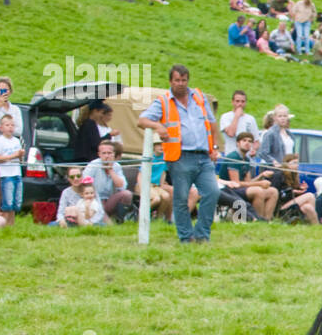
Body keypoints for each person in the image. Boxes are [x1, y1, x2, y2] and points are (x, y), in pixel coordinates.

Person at [138, 65, 221, 243]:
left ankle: (202, 234)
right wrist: (158, 126)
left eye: (184, 80)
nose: (181, 84)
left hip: (204, 156)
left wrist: (214, 147)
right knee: (181, 198)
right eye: (177, 80)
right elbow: (142, 120)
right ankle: (185, 236)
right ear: (170, 81)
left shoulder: (199, 97)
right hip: (180, 157)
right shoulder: (163, 101)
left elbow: (212, 123)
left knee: (212, 192)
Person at [218, 131, 278, 220]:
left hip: (241, 189)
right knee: (258, 191)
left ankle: (267, 220)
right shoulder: (233, 157)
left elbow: (248, 182)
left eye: (250, 141)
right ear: (238, 143)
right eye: (244, 140)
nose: (247, 143)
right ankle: (257, 219)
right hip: (228, 190)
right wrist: (260, 184)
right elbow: (236, 183)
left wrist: (261, 175)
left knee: (273, 191)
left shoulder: (246, 159)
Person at [84, 138, 133, 222]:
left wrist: (110, 170)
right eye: (104, 153)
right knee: (108, 224)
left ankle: (120, 220)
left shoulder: (117, 166)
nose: (107, 156)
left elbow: (122, 186)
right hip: (94, 200)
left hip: (110, 200)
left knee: (127, 194)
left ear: (114, 154)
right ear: (99, 154)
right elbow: (85, 184)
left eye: (109, 153)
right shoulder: (93, 165)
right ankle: (108, 222)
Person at [0, 113, 23, 225]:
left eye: (12, 125)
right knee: (7, 203)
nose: (10, 127)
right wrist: (13, 156)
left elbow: (20, 160)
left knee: (15, 203)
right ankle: (5, 225)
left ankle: (11, 225)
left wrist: (21, 155)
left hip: (17, 173)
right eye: (7, 125)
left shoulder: (17, 141)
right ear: (1, 128)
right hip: (6, 175)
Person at [270, 153, 318, 223]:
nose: (297, 165)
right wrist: (293, 192)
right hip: (281, 207)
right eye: (294, 163)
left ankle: (315, 228)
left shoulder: (294, 175)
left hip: (290, 203)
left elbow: (292, 194)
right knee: (310, 196)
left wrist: (300, 189)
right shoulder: (279, 175)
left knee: (308, 207)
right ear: (286, 164)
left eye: (297, 163)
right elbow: (277, 194)